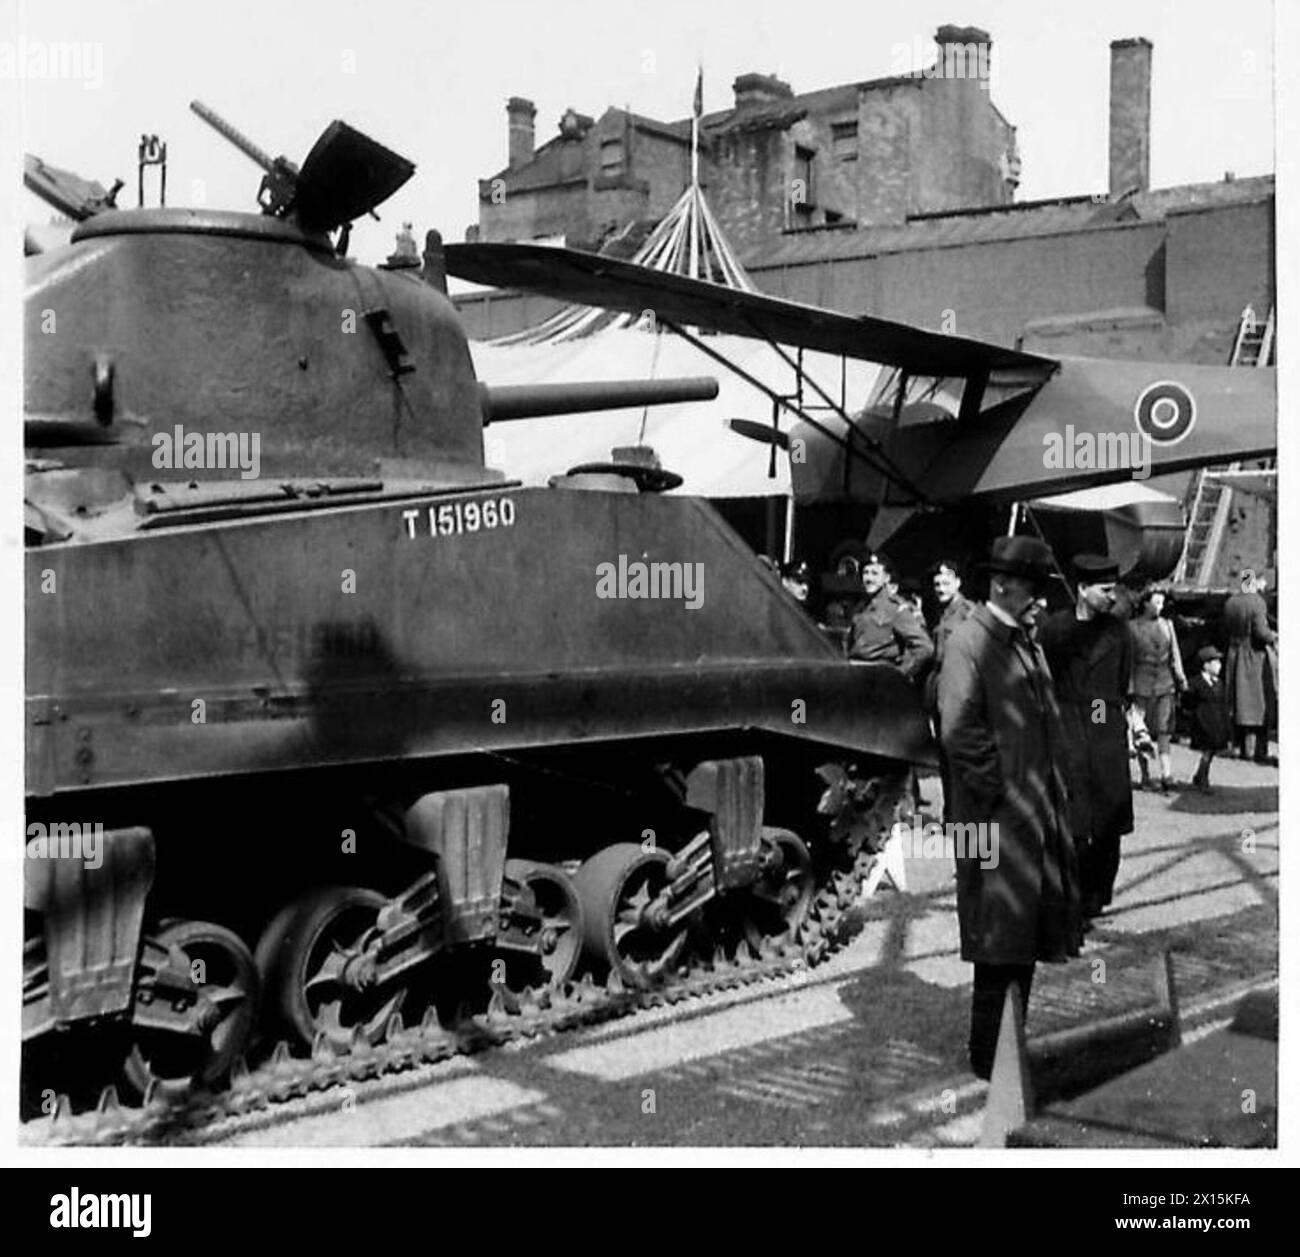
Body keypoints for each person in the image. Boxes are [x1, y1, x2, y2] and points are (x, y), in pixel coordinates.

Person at [937, 536, 1081, 1080]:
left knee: (1022, 933)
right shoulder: (968, 641)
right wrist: (1000, 790)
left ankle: (1008, 1048)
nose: (1041, 599)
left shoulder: (1025, 640)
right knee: (996, 938)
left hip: (1029, 813)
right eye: (1033, 588)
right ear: (1001, 585)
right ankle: (987, 1057)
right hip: (991, 819)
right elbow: (957, 730)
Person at [1038, 554, 1133, 923]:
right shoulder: (1054, 631)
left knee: (1109, 823)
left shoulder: (1118, 632)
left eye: (1114, 589)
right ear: (1082, 589)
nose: (1112, 597)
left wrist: (1102, 716)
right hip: (1067, 733)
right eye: (1105, 590)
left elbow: (1119, 684)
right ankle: (1070, 899)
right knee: (1072, 823)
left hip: (1105, 734)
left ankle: (1096, 896)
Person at [1128, 586, 1187, 792]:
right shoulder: (1132, 627)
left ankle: (1166, 773)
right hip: (1141, 682)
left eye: (1162, 603)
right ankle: (1145, 775)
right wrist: (1128, 685)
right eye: (1156, 602)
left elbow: (1175, 653)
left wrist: (1180, 678)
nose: (1159, 607)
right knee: (1140, 731)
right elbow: (1129, 659)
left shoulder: (1167, 625)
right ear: (1145, 603)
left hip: (1164, 681)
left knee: (1164, 730)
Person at [847, 552, 934, 681]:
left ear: (886, 578)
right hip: (856, 675)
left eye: (875, 574)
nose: (869, 578)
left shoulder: (895, 609)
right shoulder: (861, 608)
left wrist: (899, 675)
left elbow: (925, 647)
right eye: (866, 573)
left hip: (879, 677)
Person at [1223, 570, 1277, 764]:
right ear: (1253, 583)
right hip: (1253, 656)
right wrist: (1275, 637)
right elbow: (1261, 632)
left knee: (1236, 701)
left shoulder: (1231, 602)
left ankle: (1237, 747)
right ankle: (1254, 751)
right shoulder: (1257, 602)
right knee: (1255, 703)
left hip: (1234, 653)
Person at [1188, 645, 1229, 792]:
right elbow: (1189, 701)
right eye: (1215, 662)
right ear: (1206, 665)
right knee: (1207, 751)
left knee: (1210, 752)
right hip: (1202, 722)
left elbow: (1224, 705)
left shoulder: (1220, 684)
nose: (1219, 665)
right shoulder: (1196, 683)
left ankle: (1200, 775)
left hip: (1216, 723)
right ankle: (1202, 778)